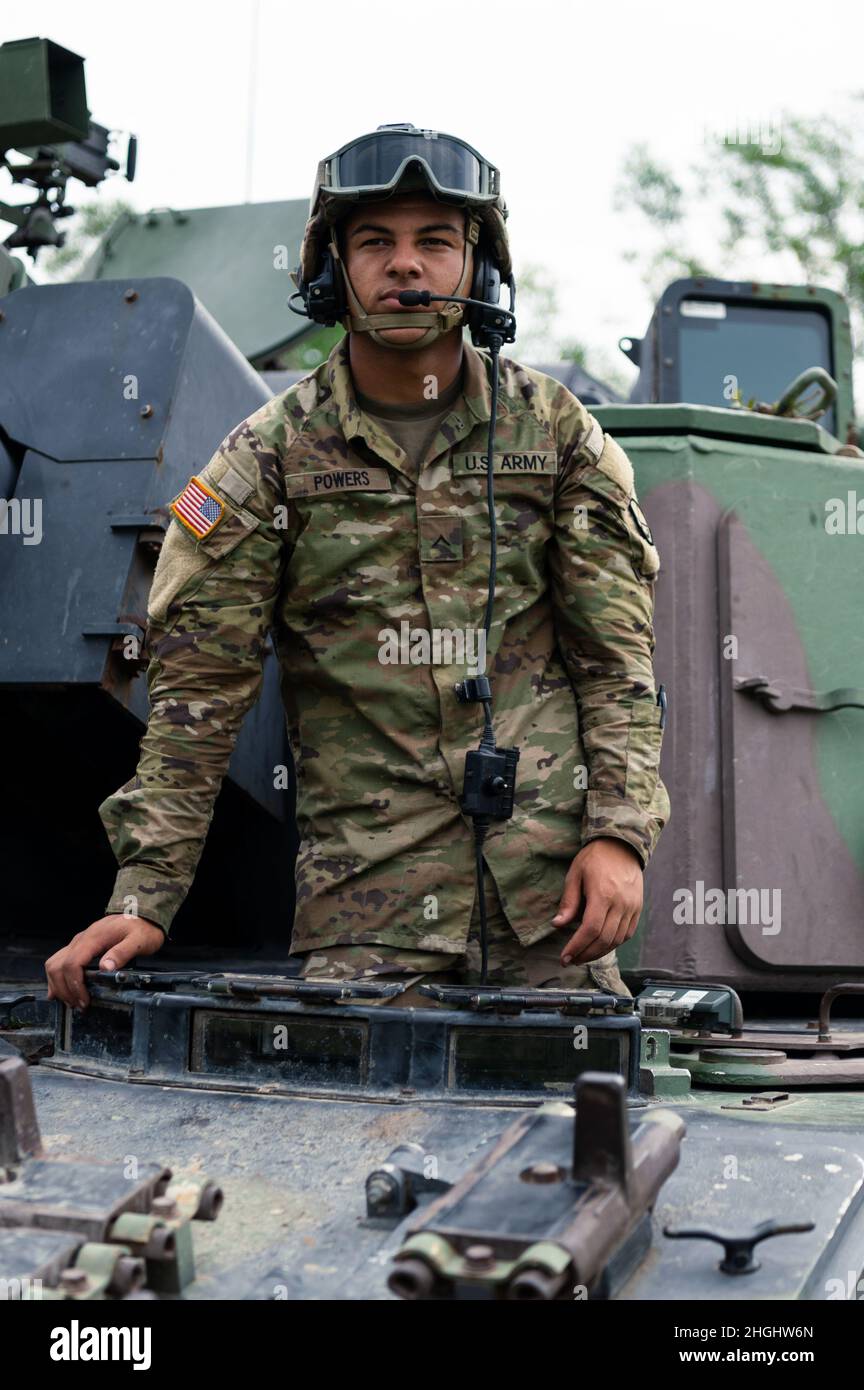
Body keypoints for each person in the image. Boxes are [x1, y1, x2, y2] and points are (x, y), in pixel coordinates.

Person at [45, 124, 670, 1011]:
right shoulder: (267, 458)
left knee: (577, 1138)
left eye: (436, 243)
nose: (406, 268)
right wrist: (145, 896)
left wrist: (620, 837)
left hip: (556, 902)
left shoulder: (556, 433)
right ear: (333, 269)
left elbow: (619, 668)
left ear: (477, 268)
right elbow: (199, 696)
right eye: (376, 242)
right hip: (369, 913)